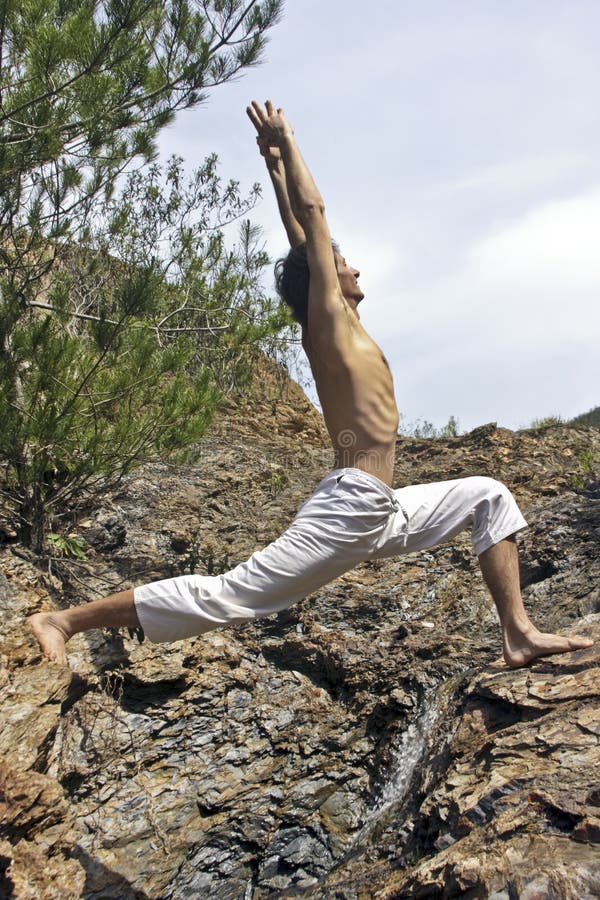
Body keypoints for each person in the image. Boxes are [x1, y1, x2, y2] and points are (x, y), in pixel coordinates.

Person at [29, 101, 593, 669]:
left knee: (489, 495)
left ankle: (518, 634)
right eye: (342, 262)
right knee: (232, 592)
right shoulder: (327, 325)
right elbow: (314, 214)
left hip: (381, 507)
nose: (353, 268)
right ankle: (64, 620)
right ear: (328, 277)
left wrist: (274, 166)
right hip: (351, 506)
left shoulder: (346, 327)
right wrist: (290, 140)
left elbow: (300, 230)